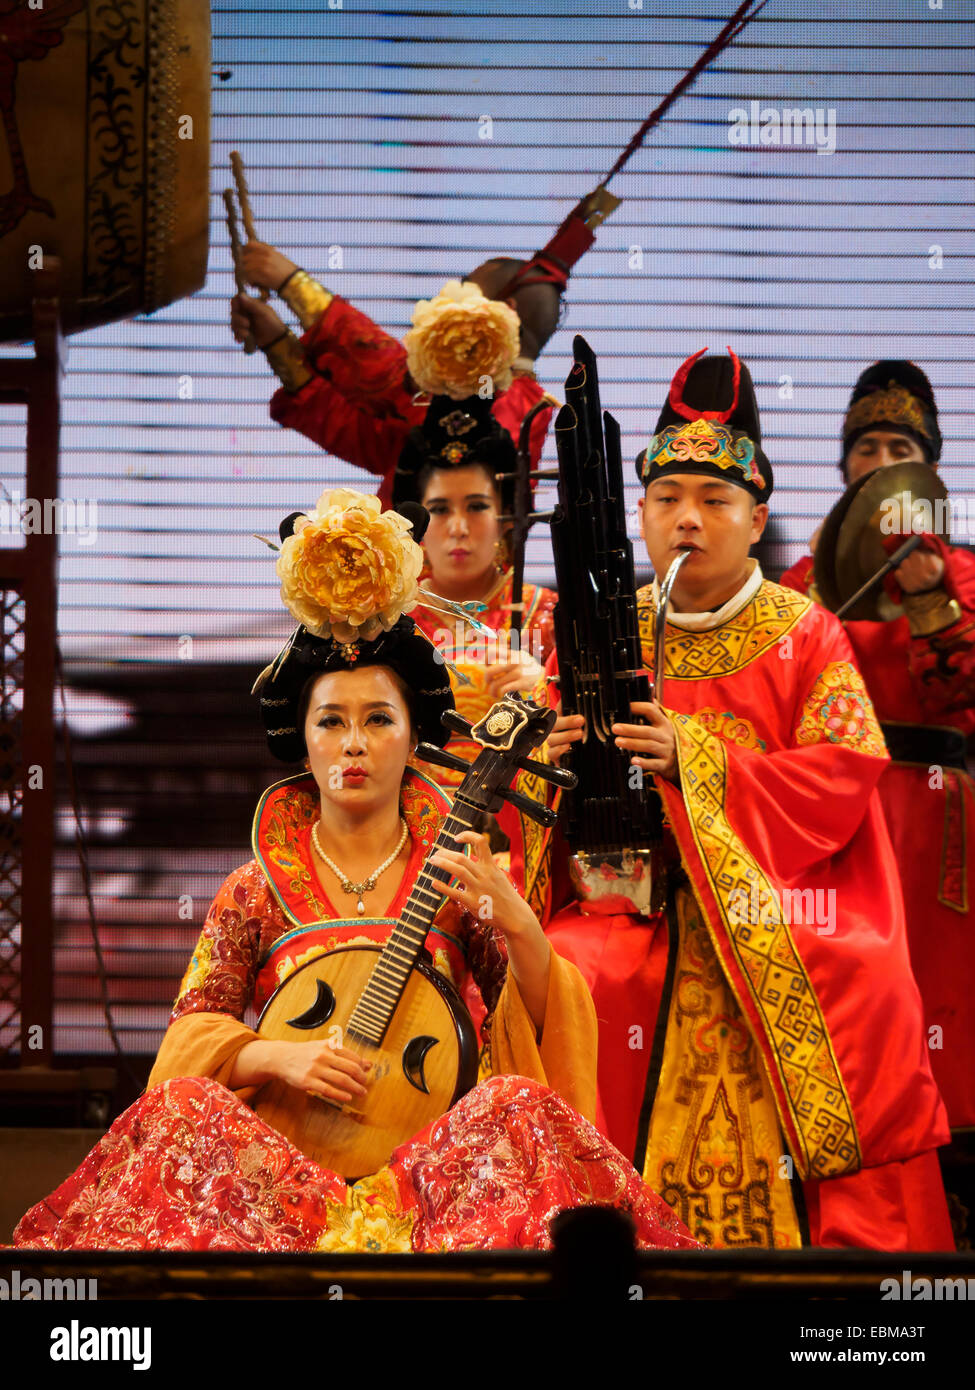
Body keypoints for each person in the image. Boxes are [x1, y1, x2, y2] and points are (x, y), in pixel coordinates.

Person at [12, 491, 696, 1255]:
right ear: (303, 742)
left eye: (378, 720)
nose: (353, 743)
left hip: (428, 1169)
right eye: (330, 721)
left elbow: (539, 1023)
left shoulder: (459, 873)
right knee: (176, 1116)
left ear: (414, 740)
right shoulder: (254, 886)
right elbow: (185, 1047)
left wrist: (518, 921)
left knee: (516, 1105)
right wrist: (278, 1055)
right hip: (278, 1176)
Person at [540, 348, 953, 1250]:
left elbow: (843, 773)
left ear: (756, 515)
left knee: (867, 980)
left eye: (714, 502)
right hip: (634, 904)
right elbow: (542, 801)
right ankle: (583, 1237)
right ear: (638, 515)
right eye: (666, 500)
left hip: (785, 897)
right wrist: (555, 766)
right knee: (570, 966)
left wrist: (694, 757)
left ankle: (847, 1271)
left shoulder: (804, 631)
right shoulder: (599, 629)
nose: (687, 520)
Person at [780, 361, 975, 1234]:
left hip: (936, 822)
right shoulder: (795, 579)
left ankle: (956, 1195)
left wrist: (930, 595)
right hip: (839, 820)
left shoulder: (962, 571)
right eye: (867, 446)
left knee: (947, 1002)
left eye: (900, 446)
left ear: (925, 471)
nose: (881, 458)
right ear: (846, 468)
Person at [228, 188, 617, 508]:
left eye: (466, 287)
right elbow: (364, 434)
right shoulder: (473, 402)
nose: (445, 297)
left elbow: (385, 374)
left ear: (504, 311)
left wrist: (293, 285)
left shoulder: (508, 401)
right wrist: (279, 344)